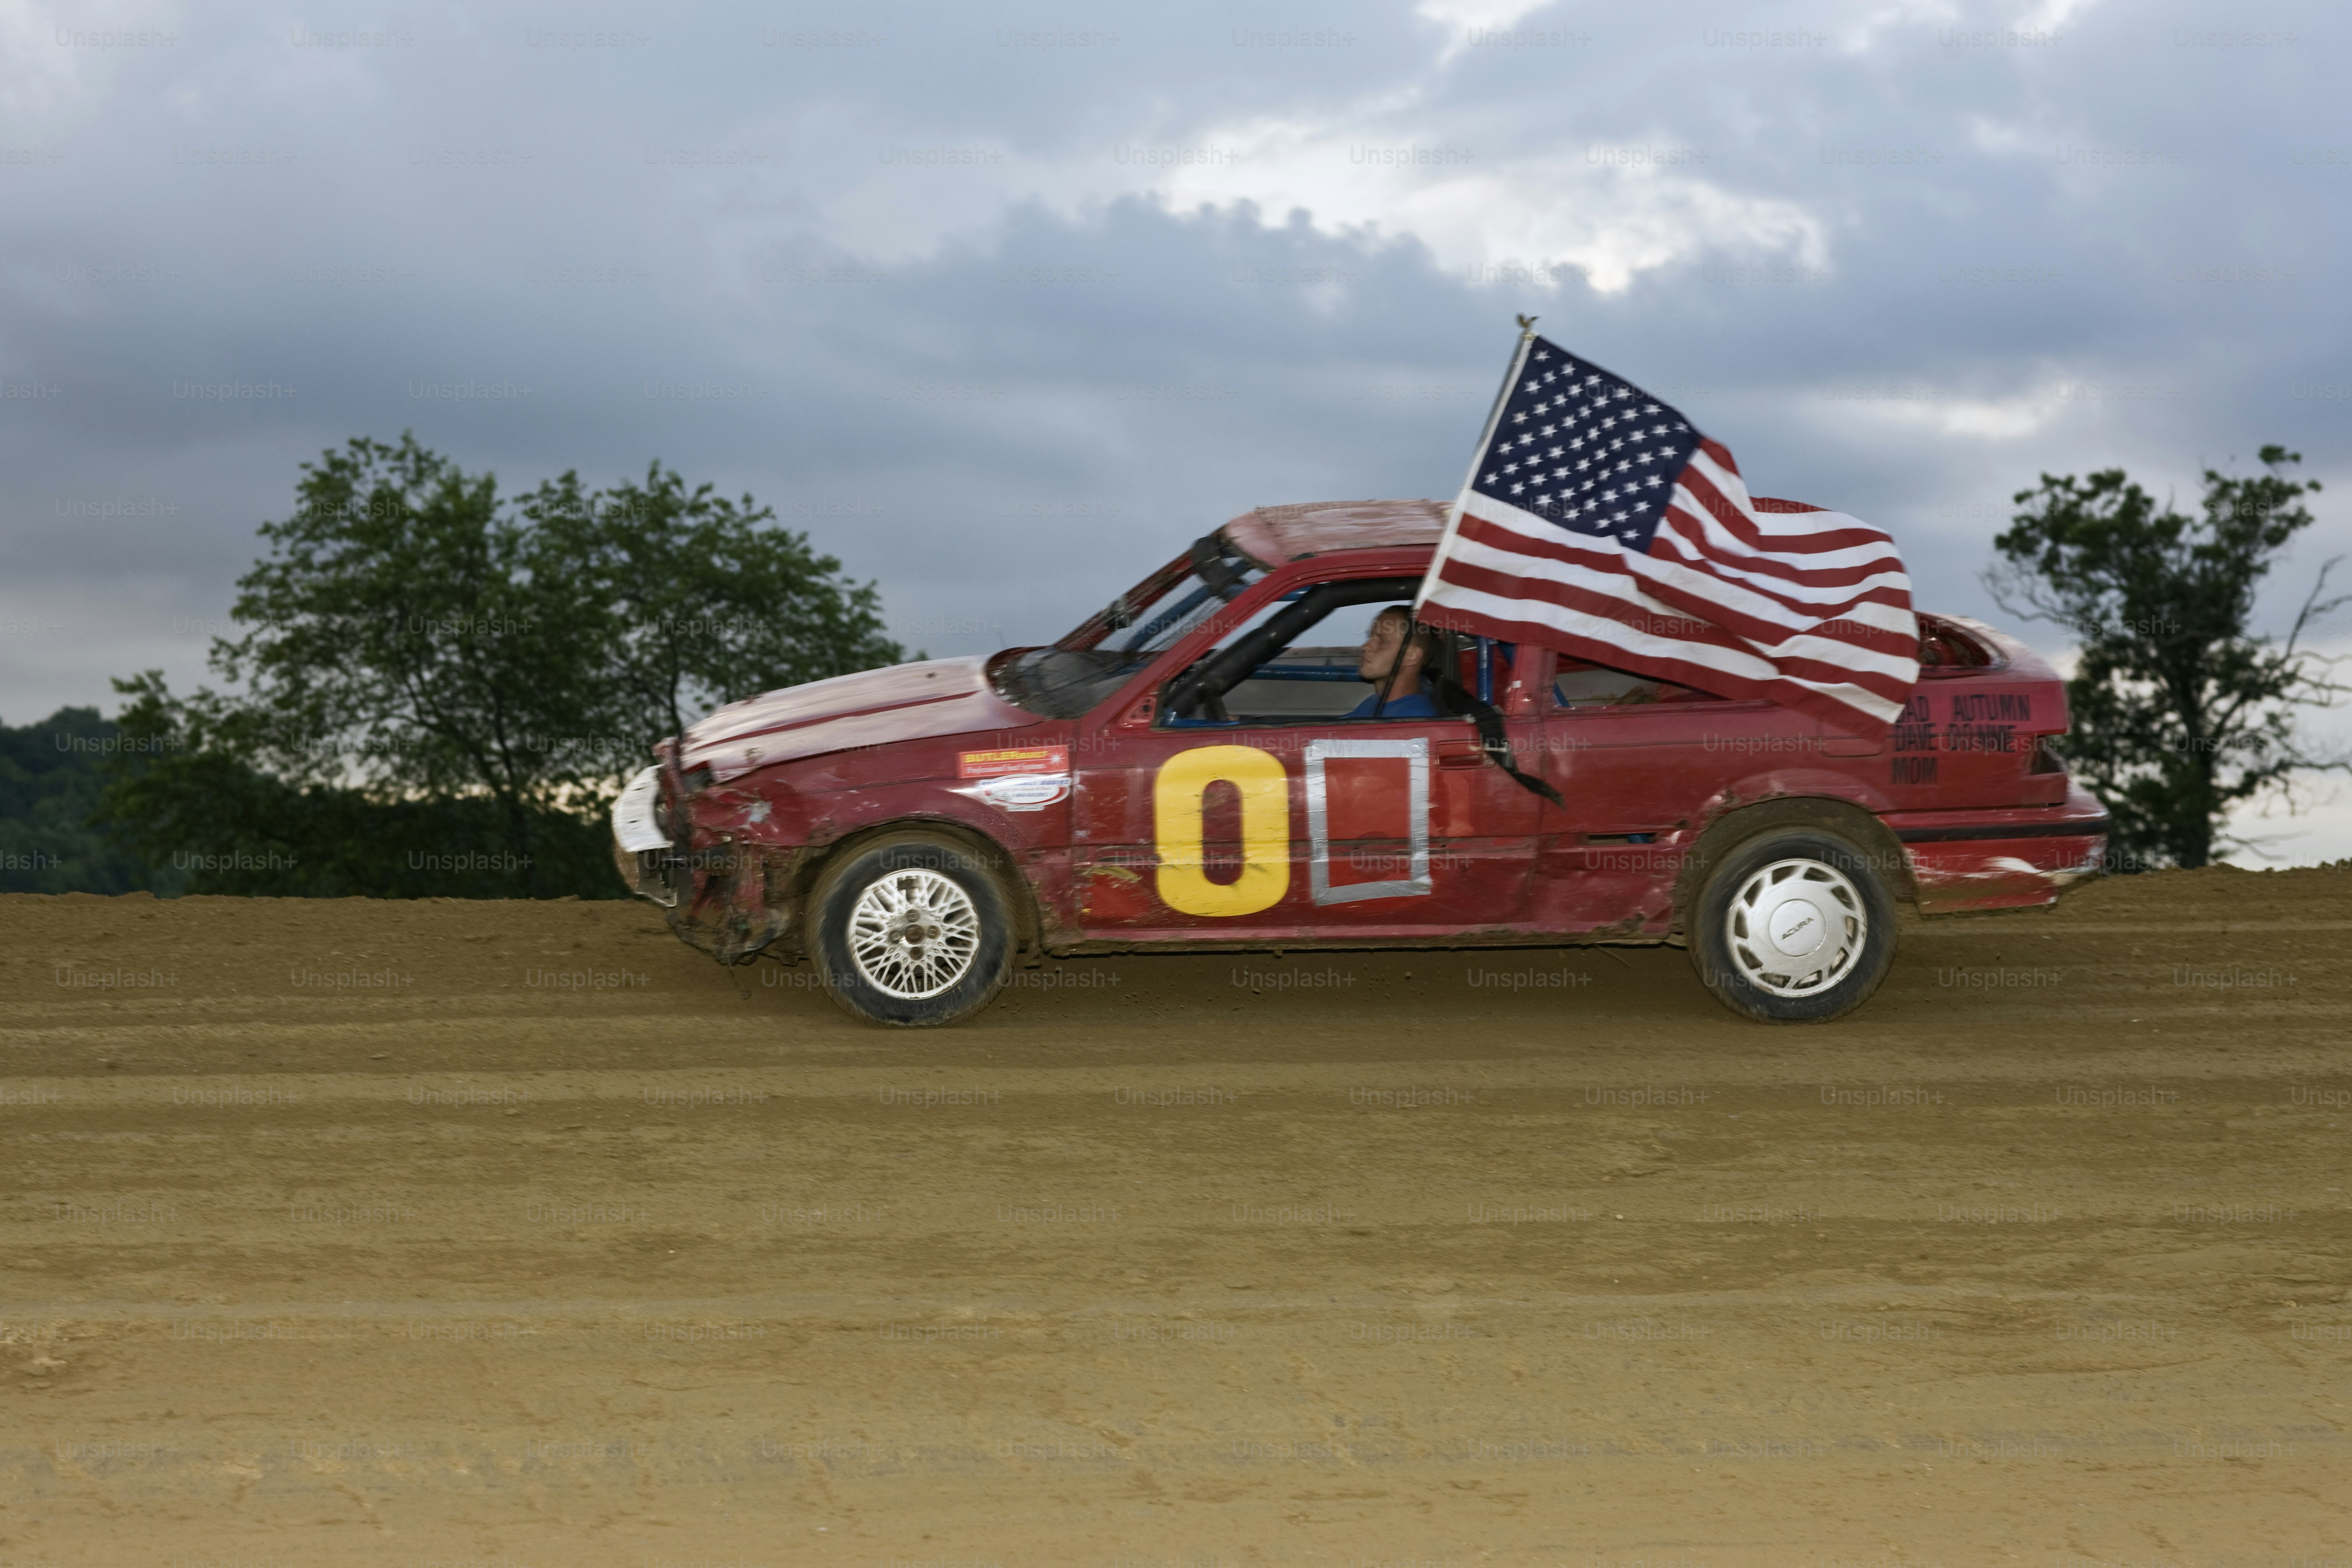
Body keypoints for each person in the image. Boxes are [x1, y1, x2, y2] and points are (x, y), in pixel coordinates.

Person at [1345, 605, 1444, 719]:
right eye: (1371, 636)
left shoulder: (1413, 720)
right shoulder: (1374, 702)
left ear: (1412, 656)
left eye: (1383, 641)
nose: (1366, 647)